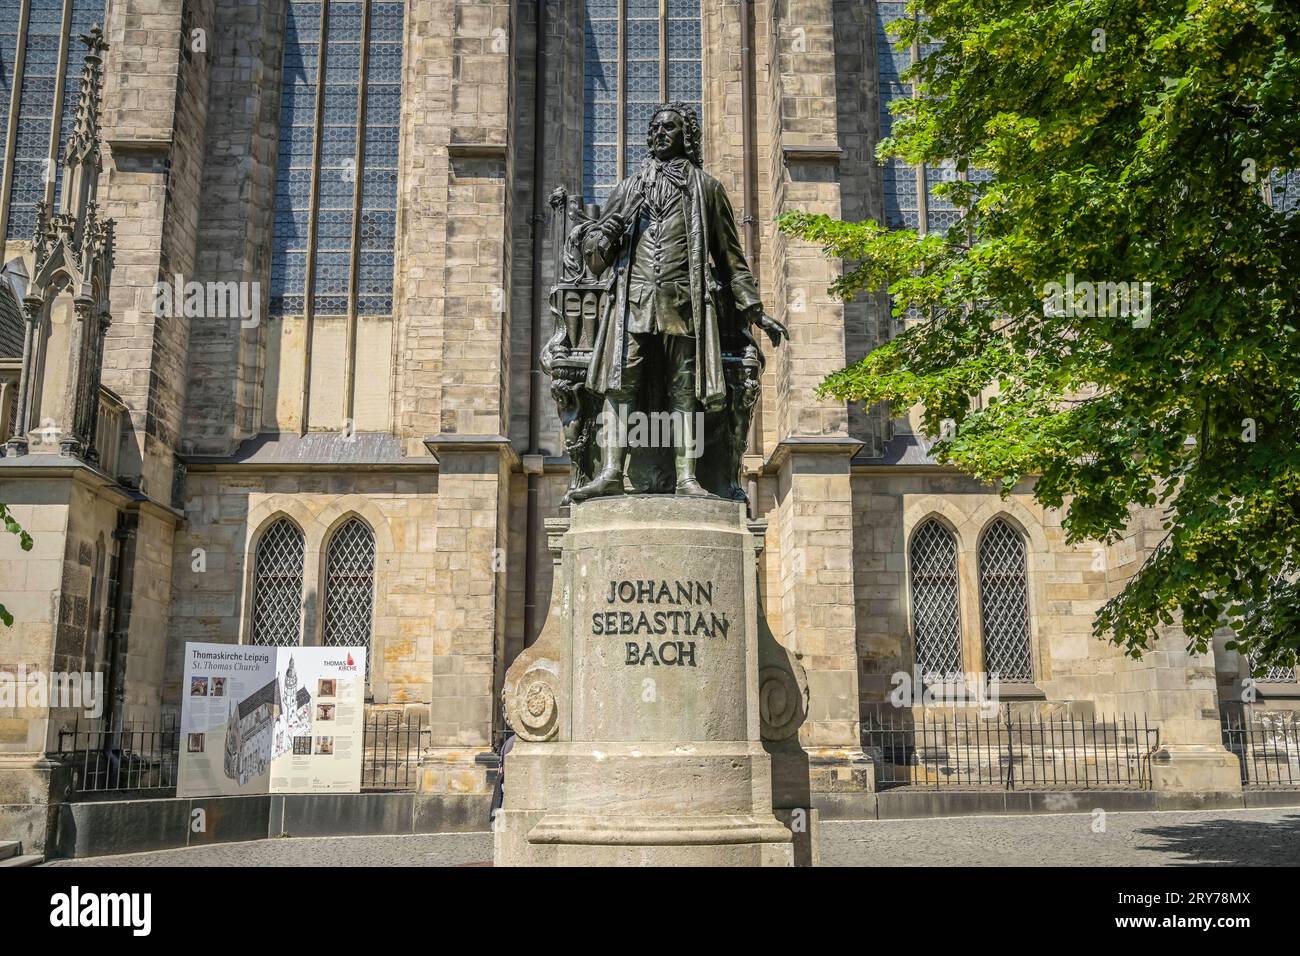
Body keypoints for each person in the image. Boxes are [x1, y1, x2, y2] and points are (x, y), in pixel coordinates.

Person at [569, 102, 787, 502]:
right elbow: (596, 260)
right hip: (632, 304)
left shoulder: (706, 188)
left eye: (668, 127)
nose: (659, 134)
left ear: (686, 135)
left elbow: (730, 259)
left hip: (684, 305)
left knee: (684, 389)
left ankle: (688, 478)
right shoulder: (629, 187)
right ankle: (612, 472)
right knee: (620, 385)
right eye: (654, 128)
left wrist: (756, 311)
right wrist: (616, 222)